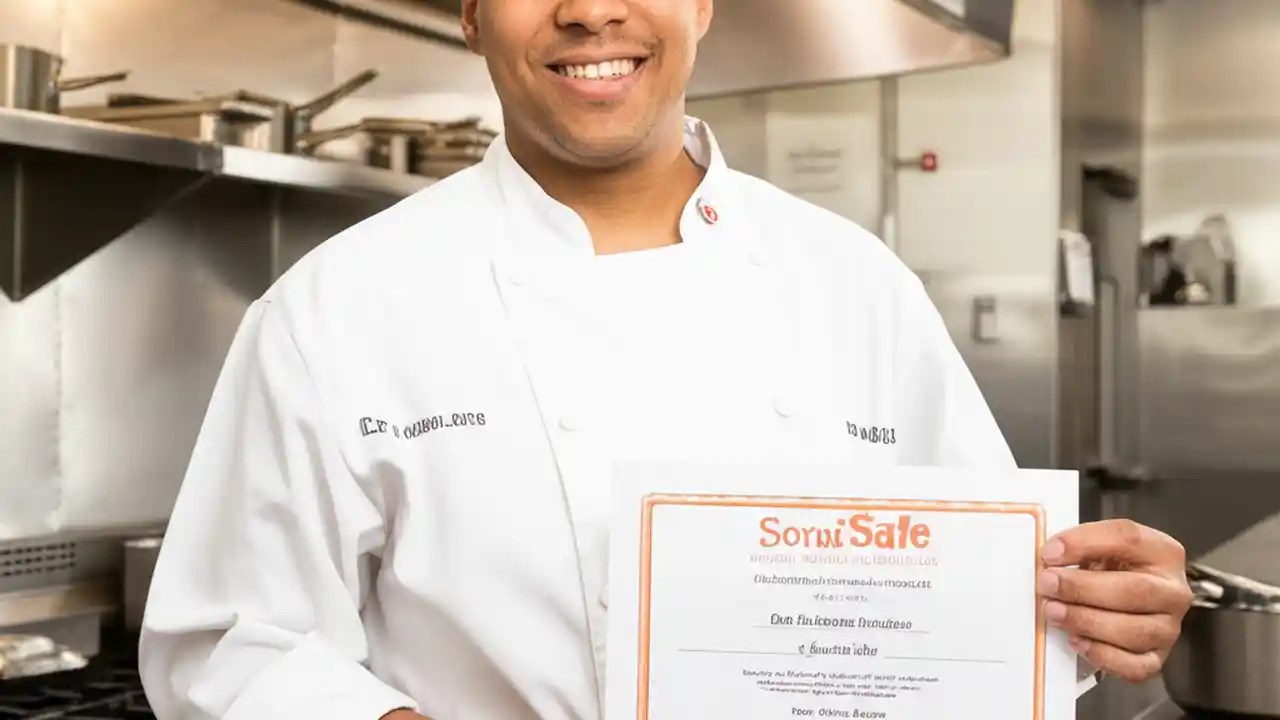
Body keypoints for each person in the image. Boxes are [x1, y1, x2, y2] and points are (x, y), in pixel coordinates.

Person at [137, 1, 1194, 718]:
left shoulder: (854, 285)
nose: (589, 9)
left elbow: (986, 615)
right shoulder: (338, 307)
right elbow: (228, 647)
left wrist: (1095, 614)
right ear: (467, 10)